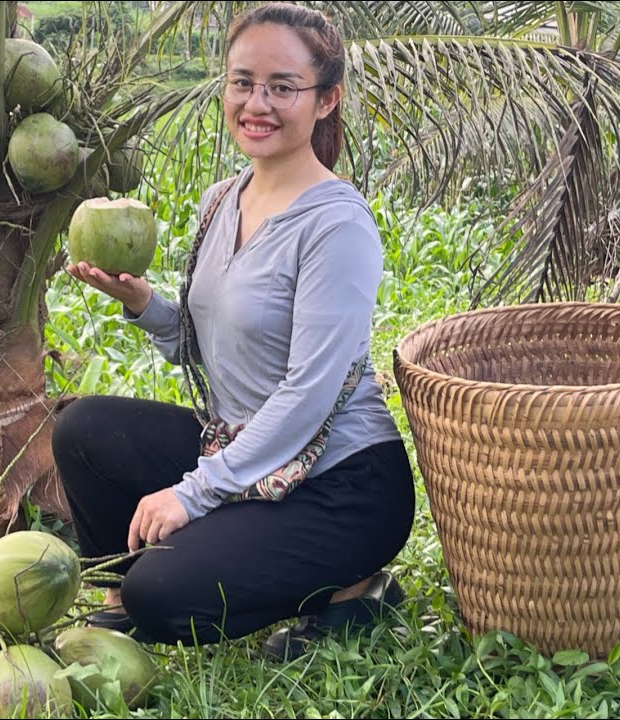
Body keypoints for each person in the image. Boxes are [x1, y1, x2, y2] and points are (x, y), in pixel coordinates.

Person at [52, 1, 415, 661]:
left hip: (342, 483)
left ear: (326, 100)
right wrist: (144, 305)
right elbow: (206, 347)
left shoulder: (336, 225)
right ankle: (120, 595)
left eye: (283, 87)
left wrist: (195, 494)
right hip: (246, 451)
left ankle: (351, 591)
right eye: (243, 82)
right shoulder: (222, 199)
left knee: (163, 597)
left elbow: (309, 392)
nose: (258, 102)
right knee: (82, 429)